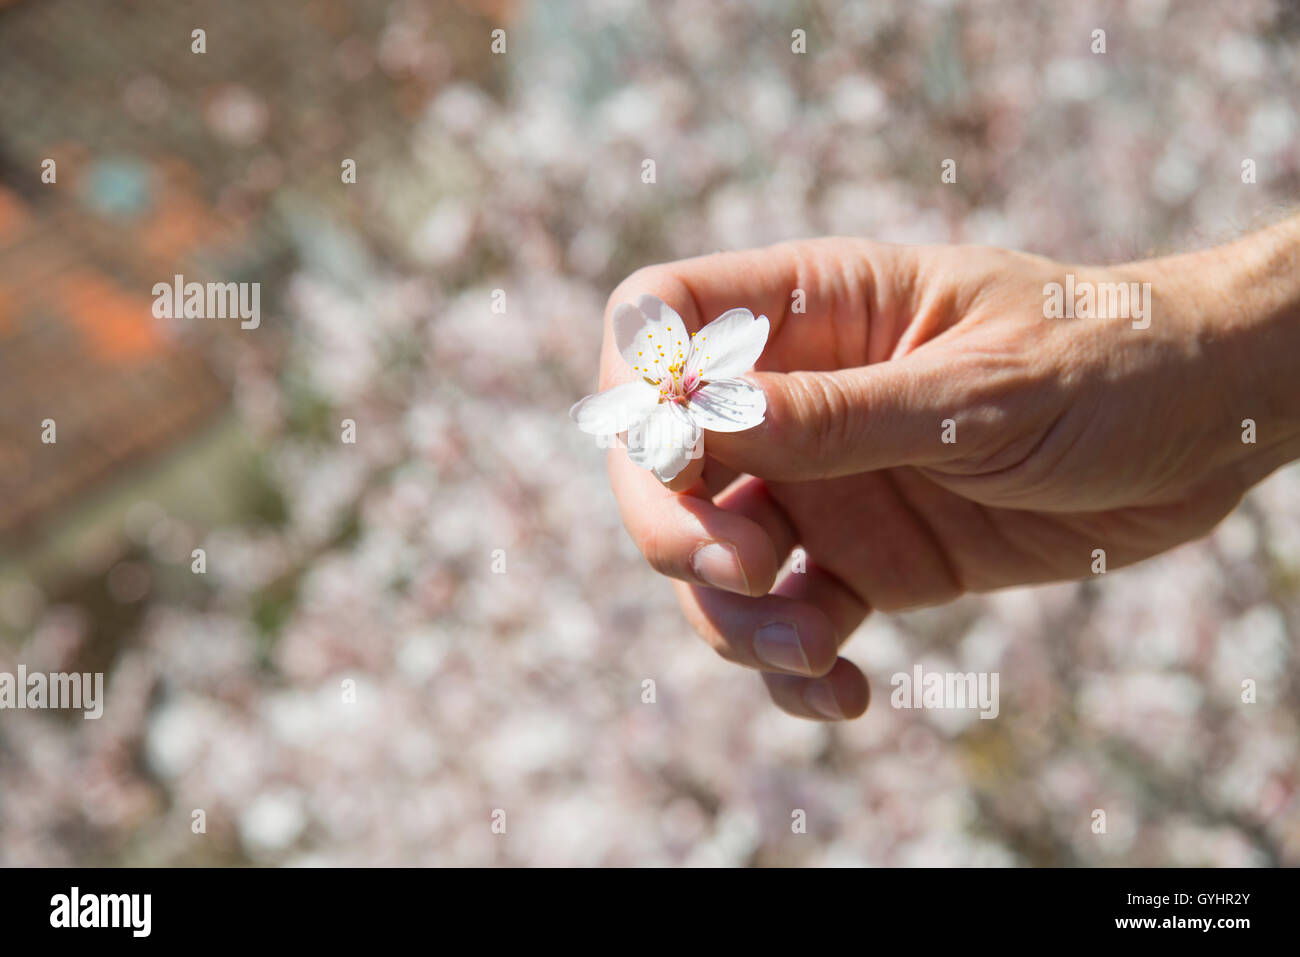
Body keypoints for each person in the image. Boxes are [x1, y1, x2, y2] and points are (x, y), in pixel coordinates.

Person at [587, 216, 1300, 721]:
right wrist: (1225, 378)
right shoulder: (651, 396)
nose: (675, 381)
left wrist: (1222, 350)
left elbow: (779, 407)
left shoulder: (717, 380)